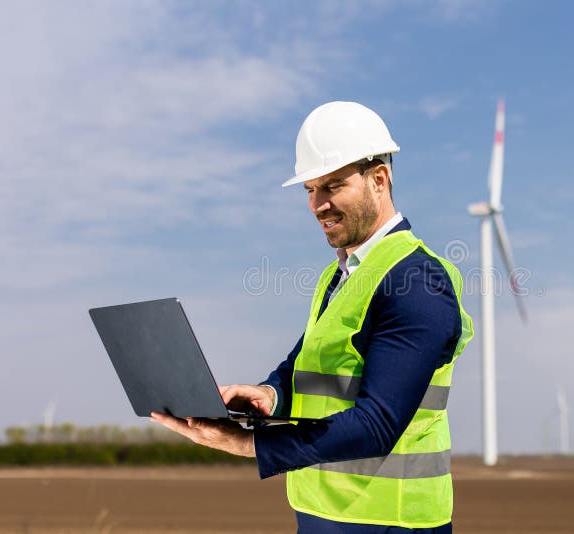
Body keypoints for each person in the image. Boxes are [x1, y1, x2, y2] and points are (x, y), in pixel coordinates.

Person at [151, 101, 473, 533]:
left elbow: (378, 424)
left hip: (391, 522)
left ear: (379, 179)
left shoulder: (416, 280)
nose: (318, 204)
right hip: (321, 512)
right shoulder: (338, 276)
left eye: (333, 186)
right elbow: (309, 363)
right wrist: (271, 395)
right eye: (310, 189)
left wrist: (252, 443)